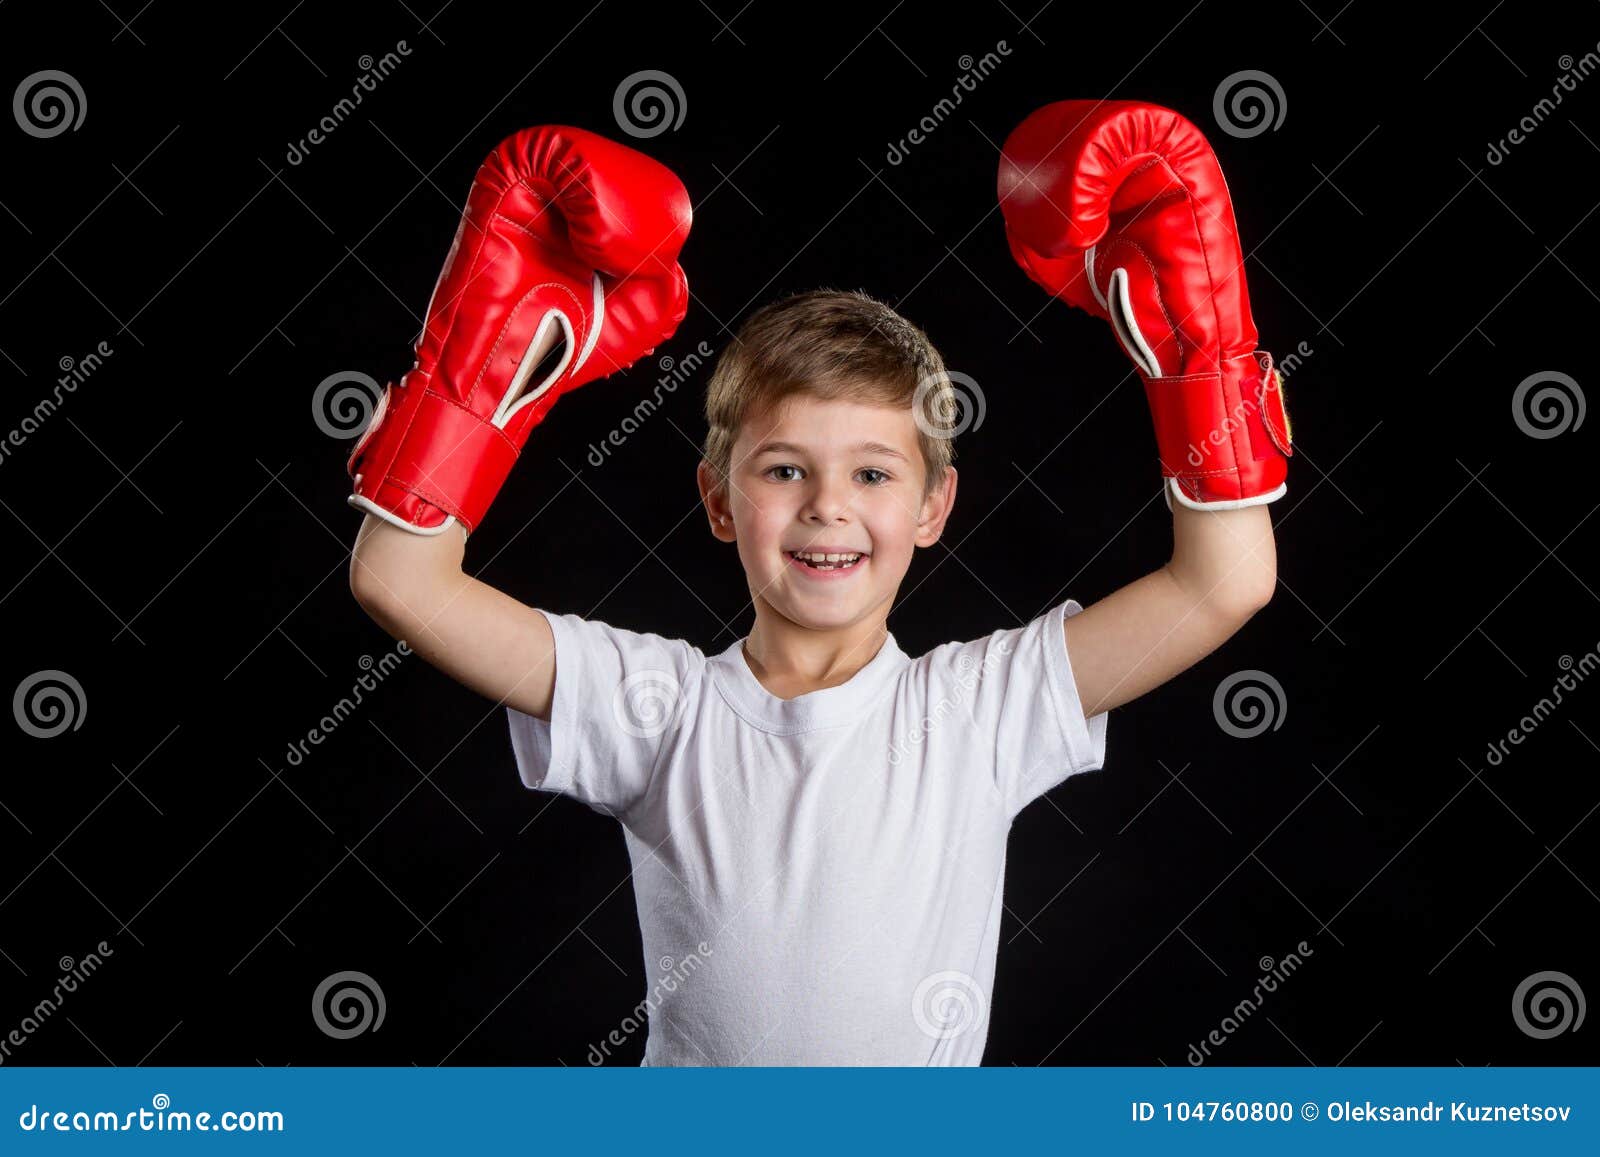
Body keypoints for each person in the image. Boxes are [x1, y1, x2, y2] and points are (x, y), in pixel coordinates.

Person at [347, 103, 1291, 1065]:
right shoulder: (658, 708)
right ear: (718, 500)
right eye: (784, 469)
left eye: (874, 474)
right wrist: (465, 391)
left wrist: (1199, 360)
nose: (827, 507)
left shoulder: (977, 708)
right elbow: (399, 577)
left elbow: (1224, 582)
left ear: (934, 508)